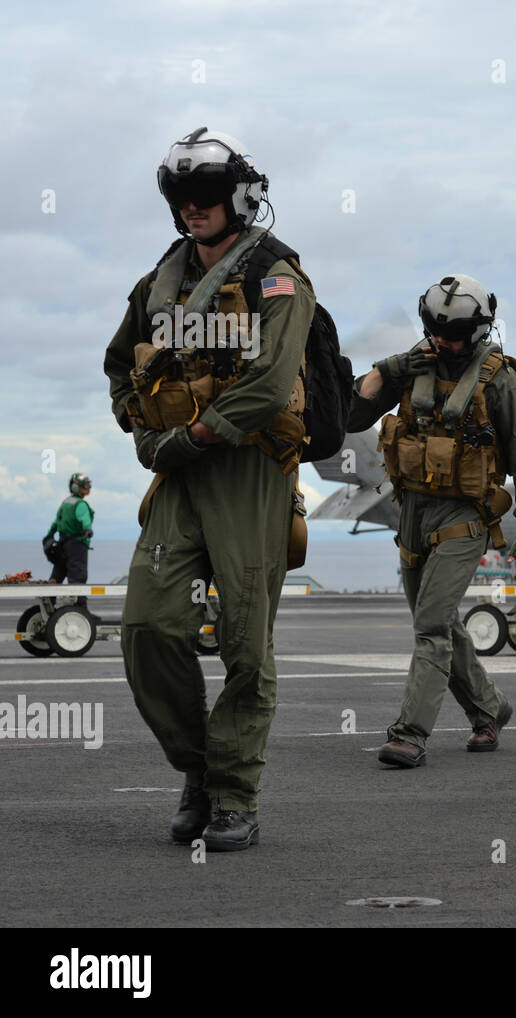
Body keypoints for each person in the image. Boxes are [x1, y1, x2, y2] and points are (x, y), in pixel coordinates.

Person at [103, 128, 316, 851]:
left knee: (244, 644)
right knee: (147, 630)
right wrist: (142, 431)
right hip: (177, 474)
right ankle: (199, 770)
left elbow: (270, 380)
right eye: (181, 198)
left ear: (239, 197)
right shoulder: (156, 285)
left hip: (249, 473)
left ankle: (233, 796)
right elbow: (117, 368)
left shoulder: (277, 277)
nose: (192, 209)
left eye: (206, 196)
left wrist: (195, 435)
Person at [348, 274, 516, 768]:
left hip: (465, 514)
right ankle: (489, 709)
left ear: (478, 331)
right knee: (437, 622)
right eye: (435, 331)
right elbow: (350, 415)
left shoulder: (500, 380)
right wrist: (388, 367)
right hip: (411, 510)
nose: (443, 342)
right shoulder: (412, 366)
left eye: (453, 333)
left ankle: (409, 734)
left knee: (432, 625)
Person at [45, 473, 99, 620]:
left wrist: (49, 536)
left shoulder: (65, 502)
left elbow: (56, 523)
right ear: (76, 487)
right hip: (77, 545)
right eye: (85, 485)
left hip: (62, 544)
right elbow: (85, 520)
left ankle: (47, 607)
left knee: (58, 574)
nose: (87, 488)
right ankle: (82, 611)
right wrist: (87, 530)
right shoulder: (80, 504)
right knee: (78, 577)